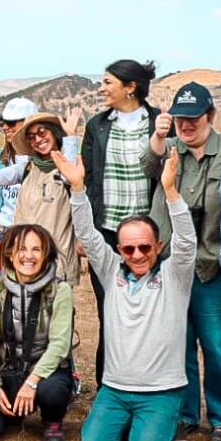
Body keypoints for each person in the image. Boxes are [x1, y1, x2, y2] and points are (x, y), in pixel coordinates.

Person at [54, 146, 193, 441]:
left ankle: (150, 427)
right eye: (128, 248)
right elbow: (87, 236)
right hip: (115, 388)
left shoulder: (175, 275)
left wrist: (171, 191)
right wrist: (77, 189)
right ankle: (130, 426)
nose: (137, 254)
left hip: (161, 390)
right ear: (119, 249)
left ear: (158, 246)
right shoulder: (111, 269)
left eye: (145, 247)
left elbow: (186, 241)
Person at [140, 82, 221, 441]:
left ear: (209, 116)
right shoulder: (168, 151)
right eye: (181, 118)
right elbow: (146, 163)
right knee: (177, 346)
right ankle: (186, 414)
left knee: (218, 346)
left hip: (211, 268)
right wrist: (158, 134)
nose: (186, 125)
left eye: (193, 118)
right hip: (170, 268)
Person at [79, 58, 163, 388]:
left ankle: (151, 389)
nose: (102, 89)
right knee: (110, 314)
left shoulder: (158, 123)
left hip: (150, 239)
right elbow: (87, 181)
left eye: (108, 83)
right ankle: (109, 390)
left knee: (151, 317)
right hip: (108, 235)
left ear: (130, 87)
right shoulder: (97, 126)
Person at [0, 223, 77, 441]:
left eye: (36, 249)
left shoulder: (59, 290)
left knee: (52, 391)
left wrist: (32, 382)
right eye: (21, 249)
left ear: (47, 254)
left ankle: (52, 418)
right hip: (10, 369)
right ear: (9, 253)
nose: (28, 256)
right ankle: (15, 409)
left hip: (47, 372)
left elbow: (60, 344)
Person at [7, 110, 85, 281]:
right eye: (31, 137)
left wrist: (71, 136)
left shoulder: (65, 168)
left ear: (53, 132)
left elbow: (70, 174)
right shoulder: (29, 170)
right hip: (26, 261)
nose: (38, 140)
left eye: (42, 132)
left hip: (56, 261)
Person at [0, 97, 39, 235]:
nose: (5, 127)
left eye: (11, 123)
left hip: (31, 234)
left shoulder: (41, 161)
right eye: (4, 122)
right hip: (2, 231)